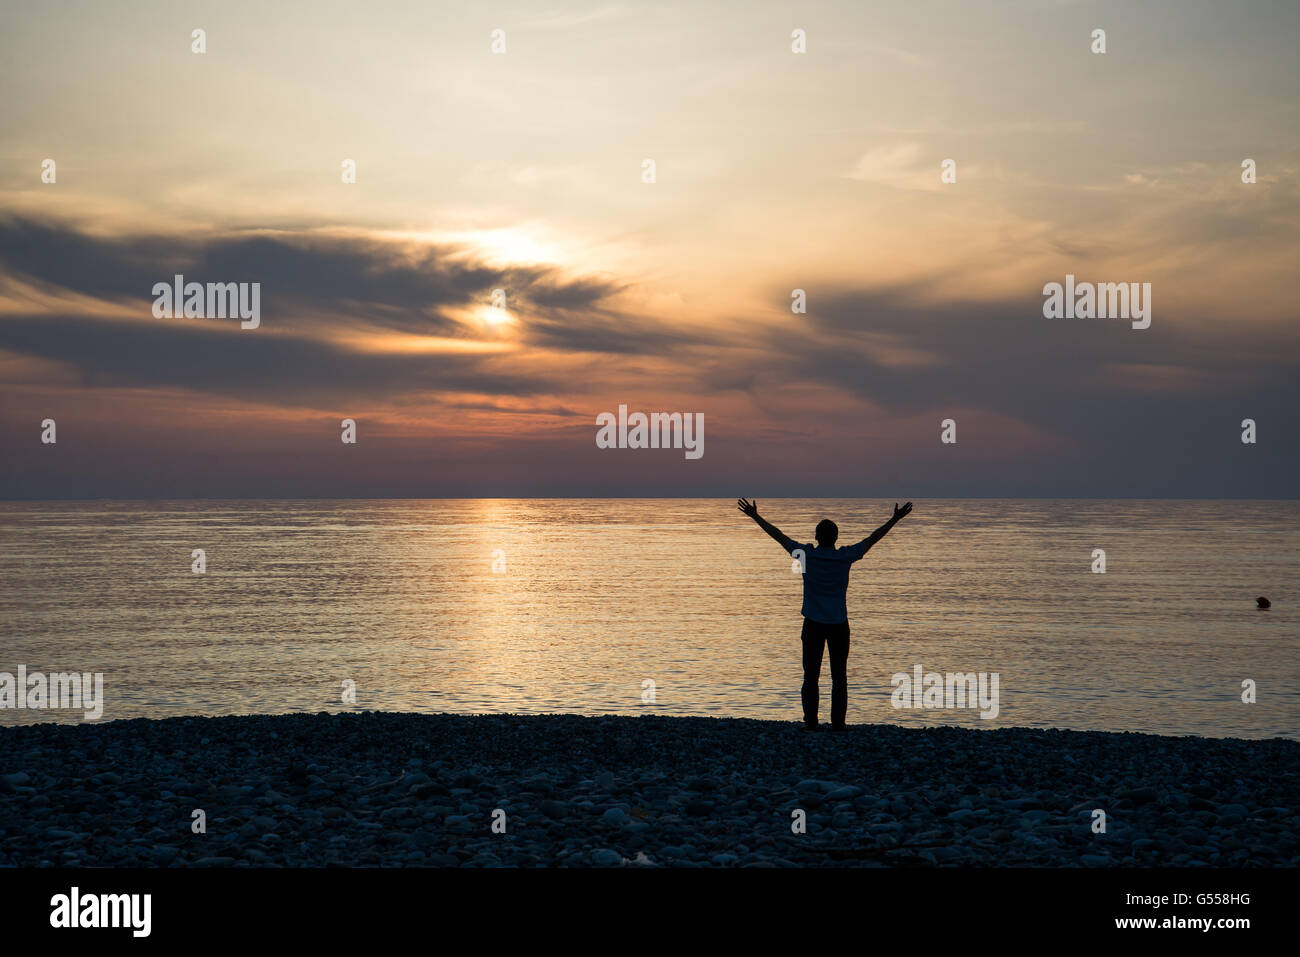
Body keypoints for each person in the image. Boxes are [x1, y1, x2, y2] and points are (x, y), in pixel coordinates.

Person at [737, 498, 912, 732]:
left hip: (813, 624)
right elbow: (872, 539)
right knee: (839, 677)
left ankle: (810, 723)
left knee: (810, 675)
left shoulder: (806, 556)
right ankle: (838, 724)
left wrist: (756, 517)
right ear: (836, 538)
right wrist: (895, 519)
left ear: (817, 537)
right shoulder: (844, 557)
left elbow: (779, 536)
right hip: (839, 624)